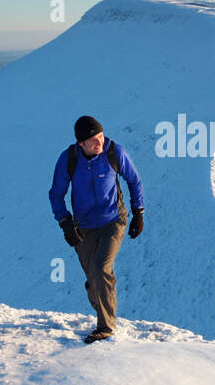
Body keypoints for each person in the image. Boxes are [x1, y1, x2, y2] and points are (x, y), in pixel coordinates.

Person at [48, 115, 145, 342]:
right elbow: (56, 194)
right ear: (81, 143)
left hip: (113, 220)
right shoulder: (69, 159)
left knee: (102, 268)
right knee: (94, 280)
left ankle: (106, 327)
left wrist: (138, 213)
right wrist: (65, 223)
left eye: (101, 136)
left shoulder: (114, 152)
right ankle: (101, 298)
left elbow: (134, 180)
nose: (99, 143)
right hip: (84, 226)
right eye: (93, 140)